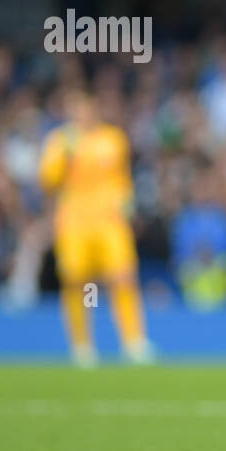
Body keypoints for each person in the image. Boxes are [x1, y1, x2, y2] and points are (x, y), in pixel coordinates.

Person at [38, 88, 154, 367]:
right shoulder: (60, 141)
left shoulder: (113, 139)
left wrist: (128, 205)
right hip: (75, 221)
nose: (84, 114)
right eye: (78, 109)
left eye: (88, 108)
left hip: (110, 220)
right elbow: (48, 182)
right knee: (77, 280)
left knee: (123, 276)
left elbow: (122, 179)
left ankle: (133, 342)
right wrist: (65, 156)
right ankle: (82, 346)